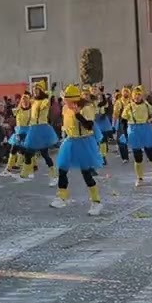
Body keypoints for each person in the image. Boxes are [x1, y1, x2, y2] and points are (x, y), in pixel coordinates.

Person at [50, 85, 104, 215]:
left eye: (67, 100)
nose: (65, 102)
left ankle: (96, 202)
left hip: (84, 141)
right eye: (65, 99)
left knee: (86, 173)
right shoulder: (64, 108)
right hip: (70, 140)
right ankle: (62, 196)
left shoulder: (87, 108)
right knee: (62, 168)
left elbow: (89, 126)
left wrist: (77, 114)